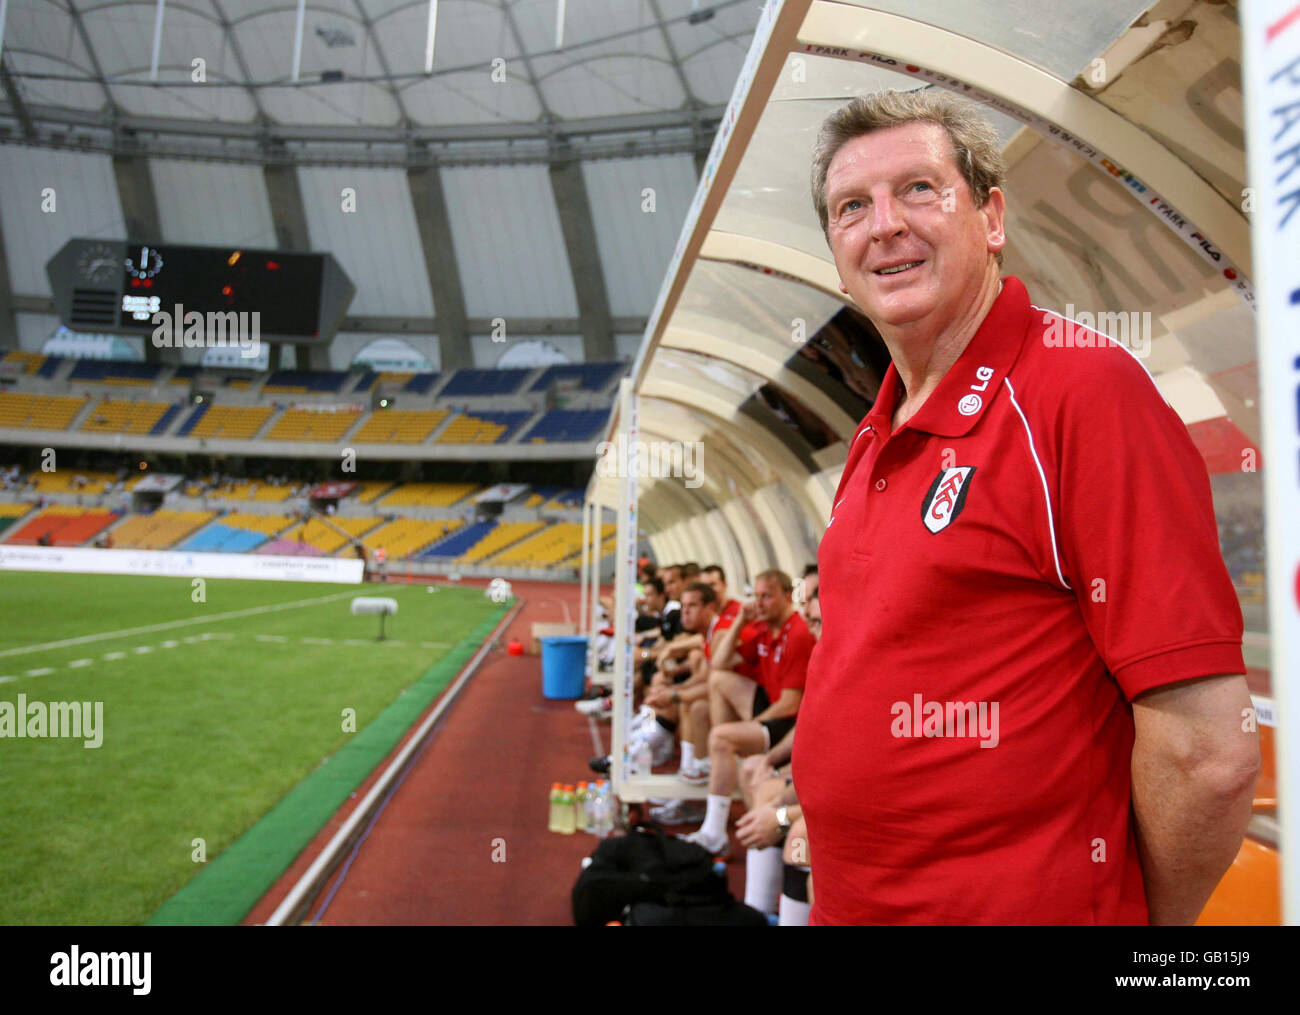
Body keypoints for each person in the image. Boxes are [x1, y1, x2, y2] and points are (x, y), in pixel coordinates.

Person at [795, 88, 1259, 925]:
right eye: (851, 206)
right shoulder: (879, 427)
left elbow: (1207, 749)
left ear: (993, 217)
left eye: (920, 190)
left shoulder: (1081, 390)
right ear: (835, 247)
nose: (885, 224)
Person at [679, 569, 815, 857]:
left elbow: (791, 705)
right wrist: (742, 620)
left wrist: (748, 726)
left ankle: (714, 833)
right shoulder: (766, 630)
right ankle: (718, 760)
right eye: (756, 596)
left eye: (767, 596)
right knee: (719, 682)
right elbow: (720, 661)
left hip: (791, 723)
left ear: (787, 597)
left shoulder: (798, 633)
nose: (760, 603)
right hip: (771, 709)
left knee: (721, 737)